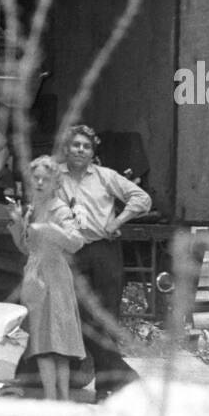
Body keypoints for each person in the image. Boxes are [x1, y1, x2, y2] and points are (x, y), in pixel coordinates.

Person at [57, 124, 152, 401]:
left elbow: (142, 198)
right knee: (81, 316)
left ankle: (104, 387)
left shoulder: (104, 176)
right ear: (66, 149)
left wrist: (118, 220)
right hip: (71, 252)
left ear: (92, 152)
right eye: (75, 145)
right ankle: (124, 378)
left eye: (86, 146)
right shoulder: (55, 176)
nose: (81, 150)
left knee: (107, 317)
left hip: (104, 251)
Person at [8, 157, 85, 400]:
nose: (40, 183)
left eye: (46, 179)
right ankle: (51, 398)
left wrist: (51, 229)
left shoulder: (59, 209)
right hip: (34, 277)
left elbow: (76, 242)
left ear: (55, 183)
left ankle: (61, 397)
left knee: (59, 343)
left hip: (55, 278)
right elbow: (26, 248)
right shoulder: (32, 209)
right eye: (36, 179)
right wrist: (18, 225)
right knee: (41, 343)